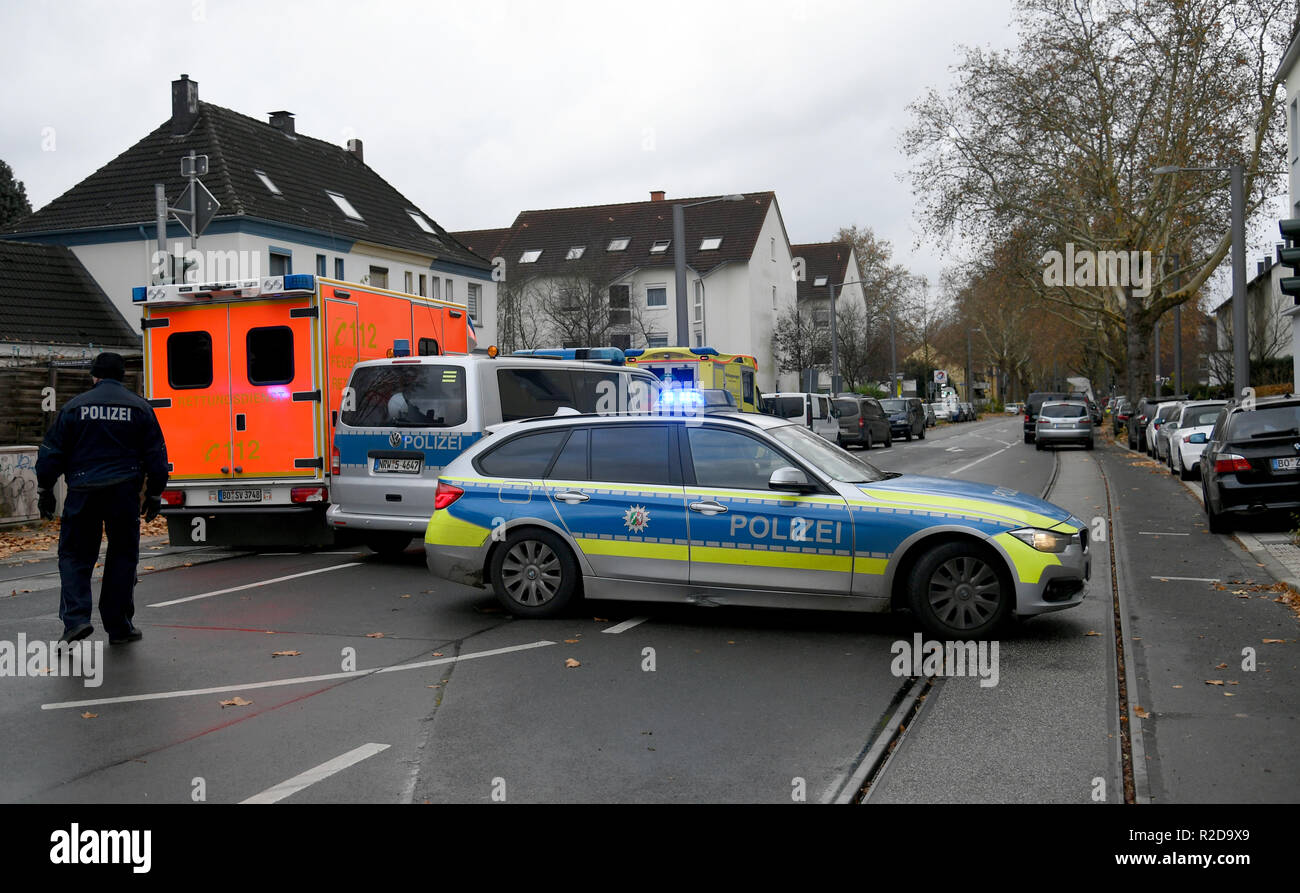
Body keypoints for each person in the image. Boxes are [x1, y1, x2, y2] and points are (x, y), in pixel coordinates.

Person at [36, 352, 169, 645]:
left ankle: (75, 621)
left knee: (74, 556)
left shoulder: (74, 408)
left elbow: (50, 454)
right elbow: (157, 457)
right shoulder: (140, 408)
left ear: (94, 375)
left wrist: (45, 490)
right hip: (123, 493)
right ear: (122, 376)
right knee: (122, 555)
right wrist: (156, 493)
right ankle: (119, 625)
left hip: (83, 492)